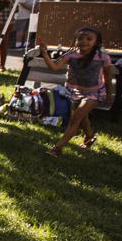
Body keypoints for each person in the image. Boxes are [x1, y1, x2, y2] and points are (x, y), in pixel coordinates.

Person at [37, 26, 113, 156]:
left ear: (96, 42)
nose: (84, 41)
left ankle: (57, 148)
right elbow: (54, 67)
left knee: (75, 119)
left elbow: (108, 76)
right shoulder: (71, 55)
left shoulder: (102, 57)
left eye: (89, 39)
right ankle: (89, 136)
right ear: (76, 40)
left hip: (94, 93)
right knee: (82, 117)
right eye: (80, 38)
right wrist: (45, 53)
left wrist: (109, 95)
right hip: (75, 92)